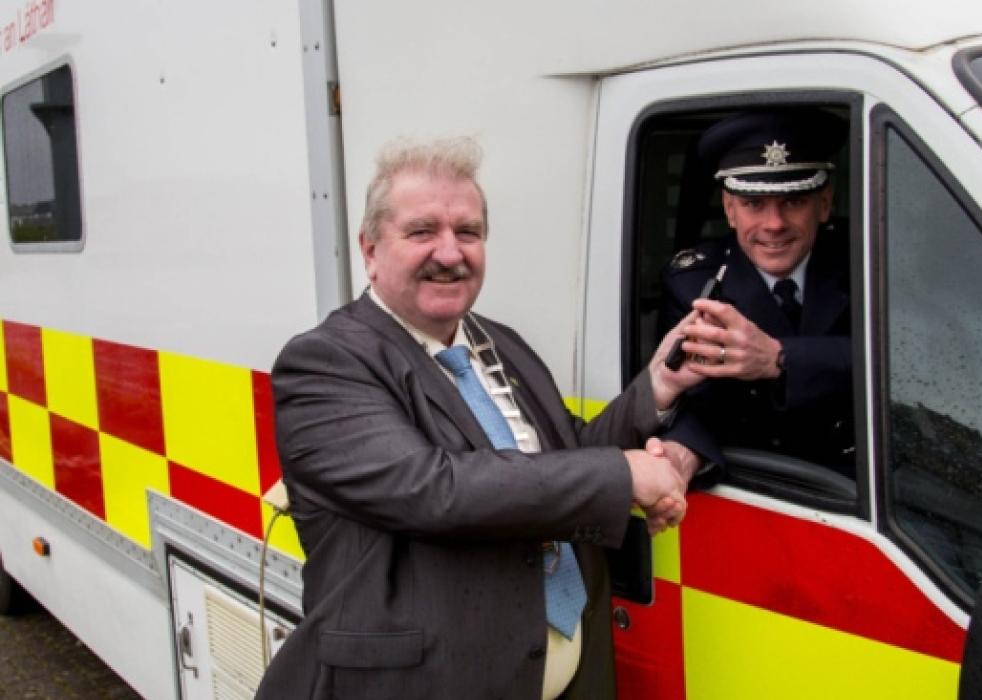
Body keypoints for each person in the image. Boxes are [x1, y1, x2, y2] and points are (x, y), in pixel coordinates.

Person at [256, 137, 702, 699]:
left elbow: (568, 453)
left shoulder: (499, 342)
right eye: (422, 232)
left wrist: (657, 389)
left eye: (467, 232)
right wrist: (625, 475)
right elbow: (434, 490)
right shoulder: (326, 362)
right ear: (370, 249)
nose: (450, 253)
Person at [657, 109, 855, 483]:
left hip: (861, 485)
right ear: (730, 210)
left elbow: (900, 363)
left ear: (825, 203)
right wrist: (686, 452)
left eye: (793, 202)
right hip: (760, 486)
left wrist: (779, 358)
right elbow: (694, 401)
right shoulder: (692, 284)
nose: (774, 224)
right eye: (753, 204)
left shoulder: (867, 265)